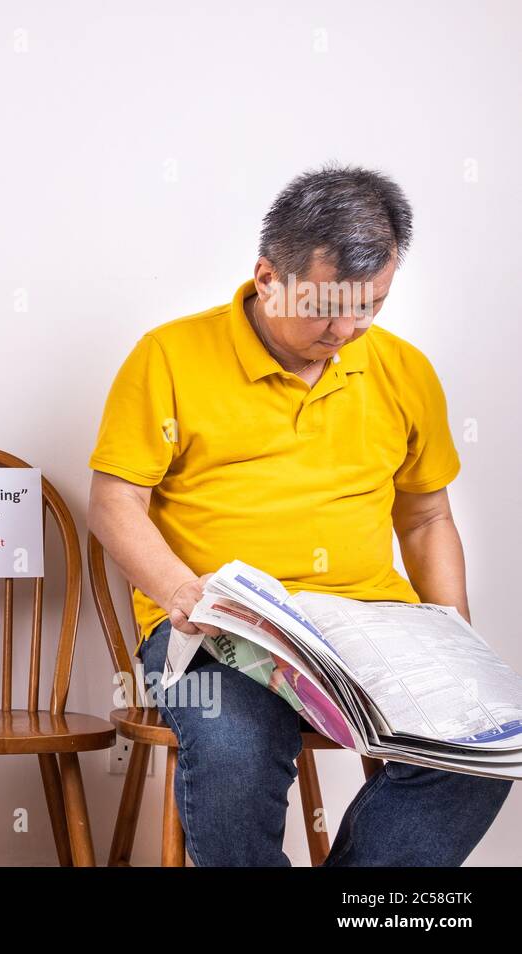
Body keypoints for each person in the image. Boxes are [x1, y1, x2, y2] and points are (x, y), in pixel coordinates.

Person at [87, 164, 512, 865]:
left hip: (372, 623)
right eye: (325, 307)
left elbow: (427, 517)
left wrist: (453, 631)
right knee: (235, 750)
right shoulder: (168, 357)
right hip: (218, 624)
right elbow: (114, 503)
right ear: (267, 277)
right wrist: (180, 591)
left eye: (369, 306)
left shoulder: (403, 370)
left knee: (476, 748)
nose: (347, 329)